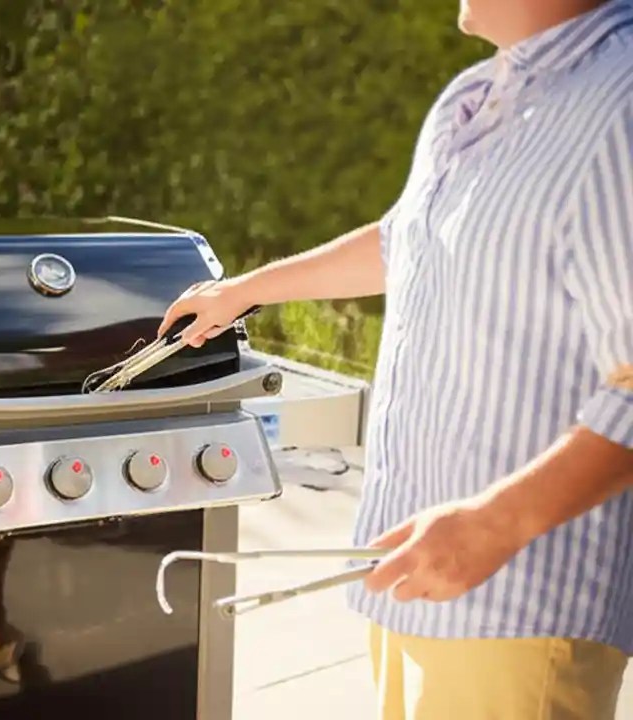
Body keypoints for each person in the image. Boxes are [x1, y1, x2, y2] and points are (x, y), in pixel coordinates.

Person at [159, 0, 633, 717]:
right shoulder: (472, 97)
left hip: (519, 603)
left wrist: (494, 525)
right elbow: (406, 238)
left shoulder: (621, 102)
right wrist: (246, 292)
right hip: (413, 574)